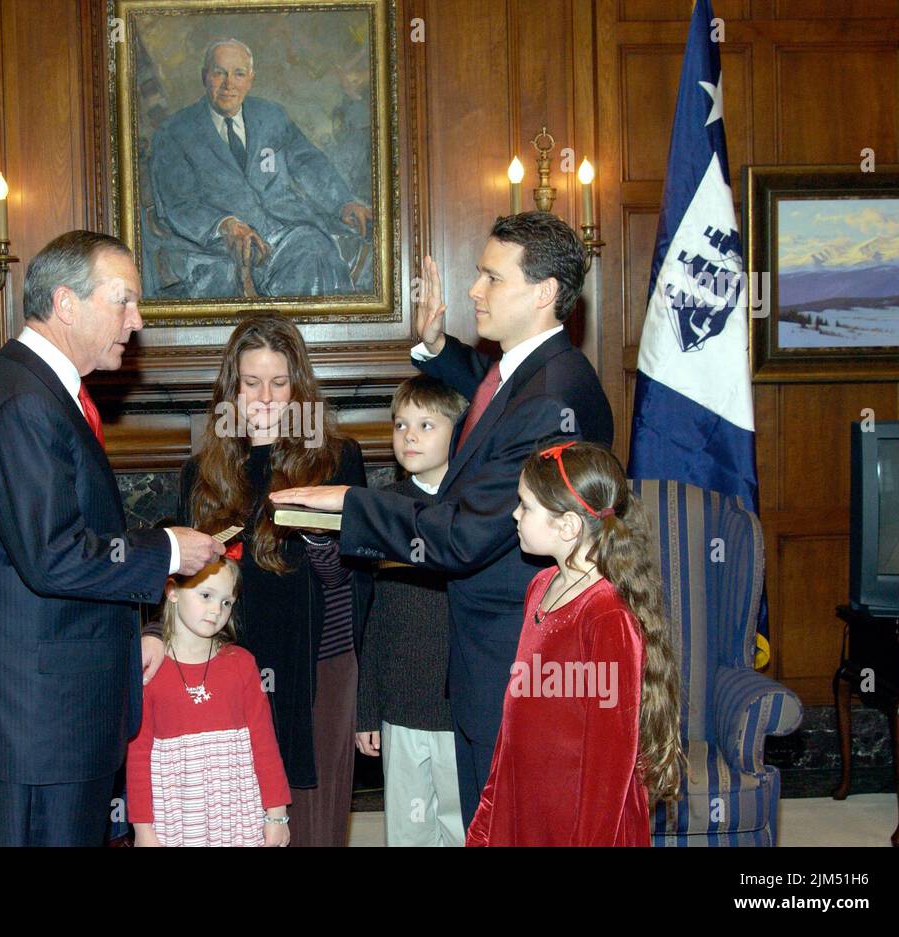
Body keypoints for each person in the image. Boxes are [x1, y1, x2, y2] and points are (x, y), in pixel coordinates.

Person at [270, 212, 614, 831]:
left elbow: (460, 537)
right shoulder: (538, 372)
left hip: (511, 656)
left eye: (490, 278)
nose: (474, 291)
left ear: (543, 294)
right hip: (500, 647)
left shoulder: (550, 400)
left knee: (505, 820)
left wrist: (350, 503)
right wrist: (435, 350)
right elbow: (494, 393)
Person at [0, 230, 223, 846]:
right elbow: (52, 557)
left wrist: (138, 634)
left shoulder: (43, 391)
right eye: (123, 301)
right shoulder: (25, 402)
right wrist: (169, 550)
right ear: (66, 304)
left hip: (53, 718)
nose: (137, 319)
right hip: (36, 728)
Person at [145, 311, 370, 847]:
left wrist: (322, 542)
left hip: (320, 668)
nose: (265, 397)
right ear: (232, 389)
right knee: (232, 821)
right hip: (226, 671)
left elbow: (355, 582)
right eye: (251, 383)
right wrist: (155, 634)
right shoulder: (200, 473)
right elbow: (179, 584)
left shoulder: (339, 459)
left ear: (298, 388)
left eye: (278, 382)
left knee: (313, 829)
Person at [465, 441, 683, 846]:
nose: (514, 514)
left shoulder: (606, 616)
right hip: (529, 798)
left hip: (582, 818)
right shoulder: (540, 586)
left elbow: (609, 766)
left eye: (526, 506)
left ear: (567, 526)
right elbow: (515, 721)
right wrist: (488, 818)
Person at [145, 38, 372, 298]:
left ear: (251, 79)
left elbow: (308, 163)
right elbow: (178, 205)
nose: (229, 84)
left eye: (239, 74)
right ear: (205, 76)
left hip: (291, 230)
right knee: (312, 260)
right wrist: (225, 225)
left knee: (318, 251)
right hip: (221, 249)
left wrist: (343, 203)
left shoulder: (271, 116)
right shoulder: (174, 132)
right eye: (219, 73)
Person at [356, 375, 468, 847]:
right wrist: (367, 710)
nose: (410, 436)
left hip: (457, 710)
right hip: (399, 707)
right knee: (408, 830)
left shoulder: (473, 508)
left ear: (459, 433)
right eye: (401, 425)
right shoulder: (385, 507)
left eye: (426, 424)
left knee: (463, 825)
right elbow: (376, 616)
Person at [128, 549, 291, 847]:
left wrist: (276, 815)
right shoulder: (149, 668)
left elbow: (265, 744)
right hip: (174, 821)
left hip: (238, 818)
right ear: (172, 591)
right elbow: (138, 757)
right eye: (206, 595)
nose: (217, 609)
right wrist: (143, 829)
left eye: (226, 601)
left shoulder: (241, 663)